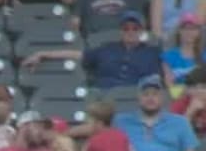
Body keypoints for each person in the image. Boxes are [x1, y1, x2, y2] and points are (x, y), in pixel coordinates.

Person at [23, 10, 162, 91]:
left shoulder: (151, 52)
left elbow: (154, 81)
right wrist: (42, 54)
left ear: (142, 31)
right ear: (120, 31)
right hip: (103, 98)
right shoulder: (107, 49)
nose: (130, 32)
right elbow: (78, 55)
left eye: (135, 28)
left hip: (133, 100)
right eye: (126, 28)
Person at [113, 75, 199, 151]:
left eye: (155, 94)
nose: (150, 98)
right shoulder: (121, 121)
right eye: (146, 94)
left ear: (162, 97)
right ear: (138, 98)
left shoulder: (180, 122)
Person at [161, 14, 206, 86]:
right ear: (179, 31)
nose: (189, 32)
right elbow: (169, 83)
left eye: (193, 29)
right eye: (185, 28)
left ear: (199, 32)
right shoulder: (168, 56)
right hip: (178, 95)